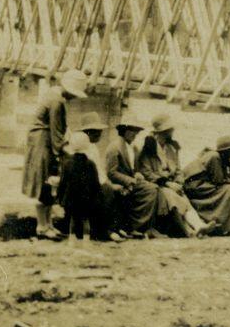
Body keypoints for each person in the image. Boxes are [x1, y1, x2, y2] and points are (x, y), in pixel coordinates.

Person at [22, 69, 87, 240]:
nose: (74, 98)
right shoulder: (57, 101)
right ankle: (42, 226)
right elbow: (57, 132)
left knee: (49, 185)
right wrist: (67, 152)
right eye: (74, 94)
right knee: (45, 183)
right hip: (42, 142)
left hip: (43, 140)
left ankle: (48, 224)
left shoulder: (54, 94)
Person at [137, 113, 211, 237]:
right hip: (157, 185)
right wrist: (167, 183)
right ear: (162, 132)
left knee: (183, 197)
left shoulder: (171, 148)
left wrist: (178, 181)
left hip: (172, 183)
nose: (171, 132)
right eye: (169, 130)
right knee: (172, 197)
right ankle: (188, 230)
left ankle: (199, 226)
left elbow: (177, 169)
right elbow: (147, 172)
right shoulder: (147, 148)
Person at [57, 112, 119, 244]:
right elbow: (90, 174)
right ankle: (103, 231)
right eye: (95, 133)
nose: (99, 136)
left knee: (111, 190)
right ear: (87, 134)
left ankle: (111, 228)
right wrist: (105, 184)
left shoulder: (93, 148)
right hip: (82, 187)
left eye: (99, 133)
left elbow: (99, 170)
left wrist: (107, 182)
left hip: (89, 184)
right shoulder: (78, 151)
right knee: (106, 193)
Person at [105, 114, 169, 238]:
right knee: (151, 190)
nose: (135, 134)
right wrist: (130, 180)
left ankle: (145, 227)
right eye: (132, 131)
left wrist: (137, 174)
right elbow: (111, 172)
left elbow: (134, 168)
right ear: (124, 130)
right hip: (120, 182)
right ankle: (135, 226)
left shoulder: (133, 148)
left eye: (137, 131)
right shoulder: (114, 147)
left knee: (153, 188)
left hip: (132, 182)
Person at [181, 135, 230, 236]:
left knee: (228, 188)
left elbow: (224, 178)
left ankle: (228, 227)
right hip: (195, 185)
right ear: (224, 151)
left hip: (202, 184)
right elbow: (218, 180)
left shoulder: (219, 157)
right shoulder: (214, 156)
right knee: (228, 189)